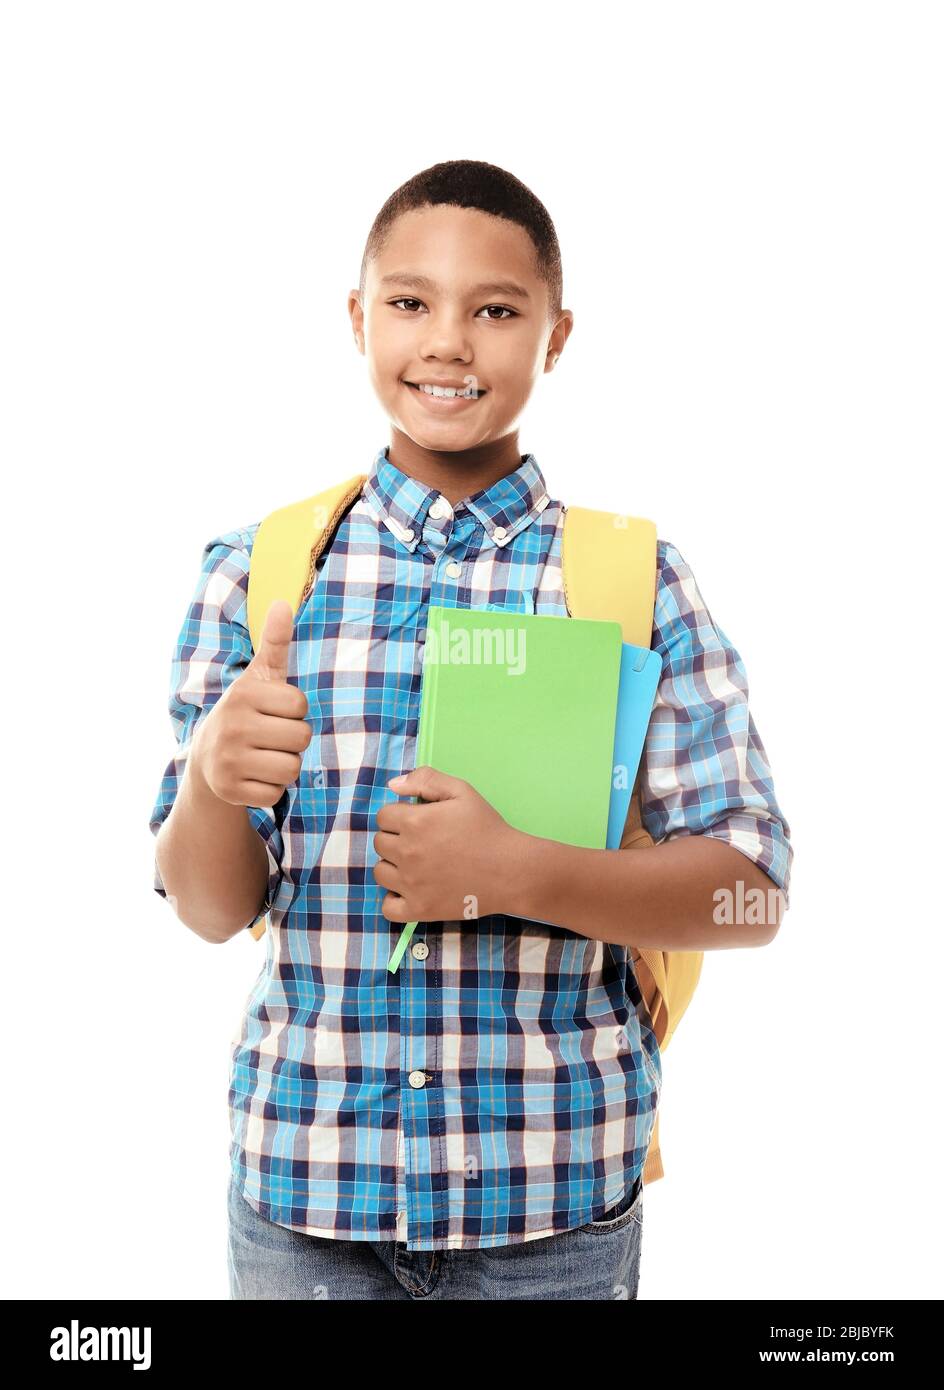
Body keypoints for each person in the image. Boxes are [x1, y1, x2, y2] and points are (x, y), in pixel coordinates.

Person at [149, 159, 793, 1301]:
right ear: (357, 319)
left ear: (555, 336)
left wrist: (514, 870)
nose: (448, 342)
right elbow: (207, 909)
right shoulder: (256, 577)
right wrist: (209, 780)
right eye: (409, 302)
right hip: (304, 1194)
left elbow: (746, 895)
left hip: (549, 1205)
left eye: (495, 309)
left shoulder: (632, 581)